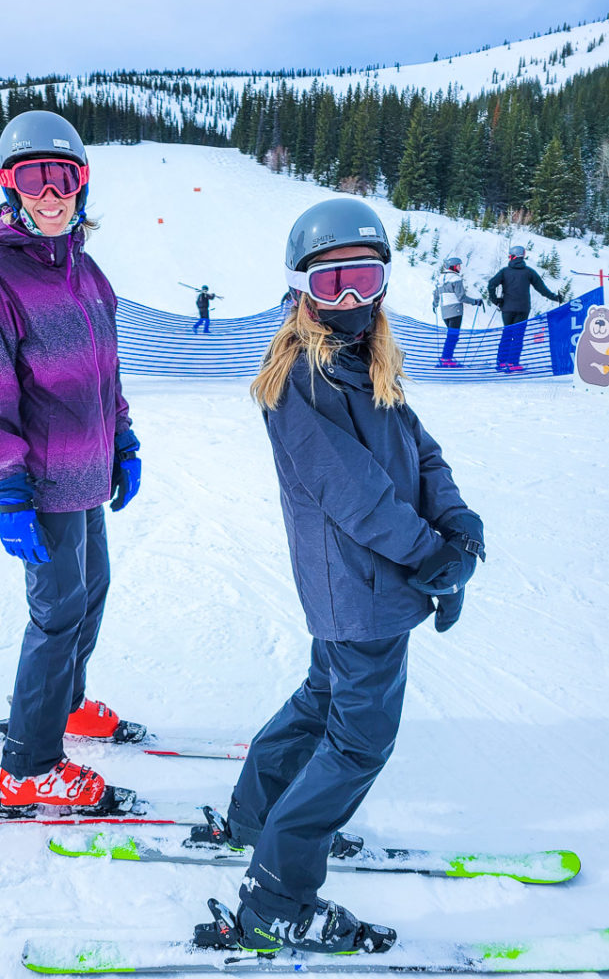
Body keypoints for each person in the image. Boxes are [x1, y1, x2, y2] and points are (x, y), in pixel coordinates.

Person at [202, 199, 485, 955]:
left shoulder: (369, 362)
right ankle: (277, 897)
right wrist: (429, 555)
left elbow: (420, 455)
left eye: (365, 279)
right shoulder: (300, 378)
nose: (353, 300)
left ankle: (256, 820)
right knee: (357, 742)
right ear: (302, 289)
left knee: (320, 700)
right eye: (335, 284)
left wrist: (457, 527)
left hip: (369, 588)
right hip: (359, 591)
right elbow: (353, 491)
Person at [0, 110, 145, 814]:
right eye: (31, 178)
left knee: (89, 593)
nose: (48, 193)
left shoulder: (87, 271)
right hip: (41, 480)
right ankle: (29, 765)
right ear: (9, 187)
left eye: (60, 177)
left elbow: (107, 371)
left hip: (88, 472)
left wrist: (122, 442)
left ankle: (63, 705)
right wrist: (9, 490)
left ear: (81, 186)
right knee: (57, 613)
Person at [487, 245, 565, 372]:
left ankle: (501, 362)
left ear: (512, 257)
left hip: (507, 308)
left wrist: (496, 300)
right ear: (522, 256)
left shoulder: (504, 272)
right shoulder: (529, 272)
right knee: (518, 336)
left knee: (507, 334)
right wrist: (555, 298)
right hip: (523, 308)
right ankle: (513, 363)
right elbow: (541, 289)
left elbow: (491, 285)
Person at [432, 256, 482, 367]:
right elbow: (461, 297)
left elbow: (436, 294)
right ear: (453, 266)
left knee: (451, 335)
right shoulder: (456, 279)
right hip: (456, 310)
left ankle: (446, 357)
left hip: (444, 311)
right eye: (459, 265)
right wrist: (475, 302)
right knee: (453, 335)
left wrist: (435, 304)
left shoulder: (440, 278)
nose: (460, 267)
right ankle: (446, 358)